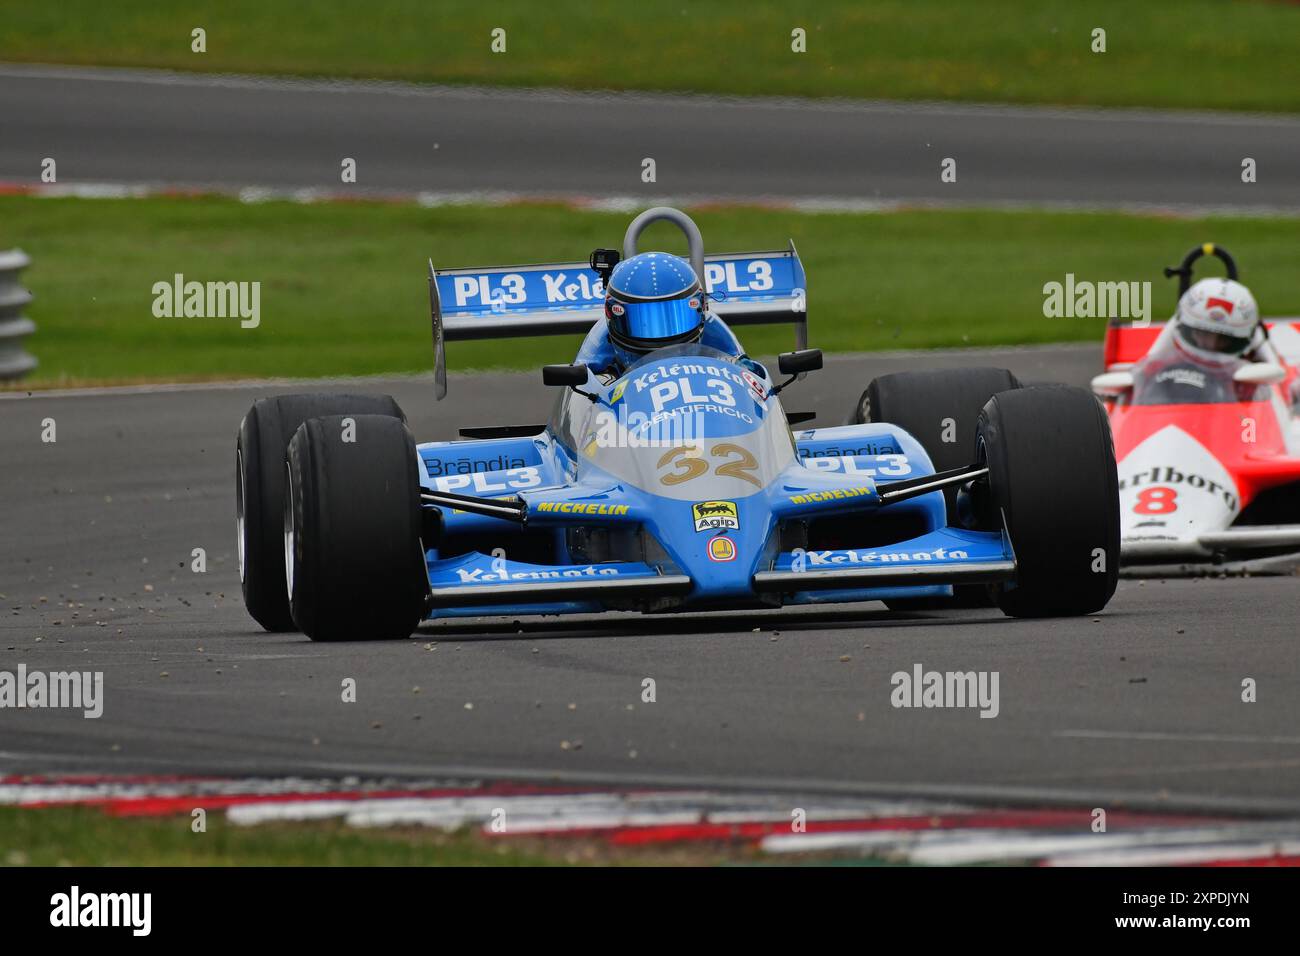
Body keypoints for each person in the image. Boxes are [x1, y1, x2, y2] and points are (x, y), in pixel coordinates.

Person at [576, 252, 766, 379]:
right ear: (613, 316)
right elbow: (579, 388)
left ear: (701, 308)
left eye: (674, 317)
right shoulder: (600, 348)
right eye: (645, 321)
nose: (660, 335)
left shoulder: (714, 330)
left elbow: (750, 375)